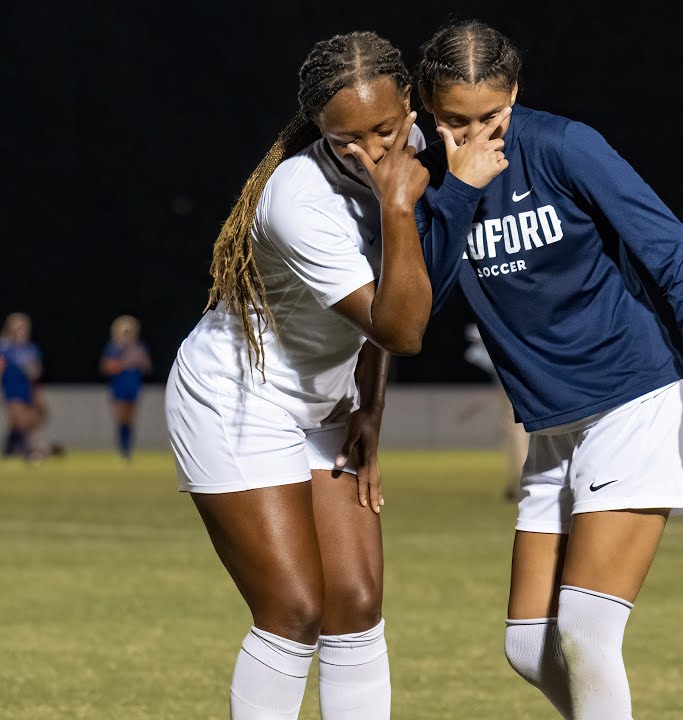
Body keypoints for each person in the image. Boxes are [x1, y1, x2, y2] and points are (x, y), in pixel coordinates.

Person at [414, 21, 683, 719]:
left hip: (635, 398)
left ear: (516, 95)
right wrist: (460, 191)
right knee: (528, 647)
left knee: (588, 635)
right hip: (554, 426)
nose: (475, 136)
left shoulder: (565, 146)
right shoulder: (426, 177)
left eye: (491, 117)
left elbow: (670, 248)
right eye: (454, 121)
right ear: (425, 104)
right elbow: (423, 302)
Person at [164, 31, 431, 720]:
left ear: (408, 101)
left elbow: (379, 317)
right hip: (235, 398)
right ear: (319, 129)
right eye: (346, 138)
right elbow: (399, 328)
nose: (371, 150)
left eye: (385, 128)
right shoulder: (298, 199)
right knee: (294, 611)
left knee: (358, 606)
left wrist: (368, 412)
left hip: (325, 403)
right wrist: (398, 207)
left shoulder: (419, 149)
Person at [462, 323, 528, 500]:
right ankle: (518, 482)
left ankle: (521, 483)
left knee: (517, 431)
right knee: (516, 432)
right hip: (523, 376)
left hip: (513, 380)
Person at [0, 313, 42, 458]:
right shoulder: (4, 347)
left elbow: (37, 372)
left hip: (26, 389)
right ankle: (27, 451)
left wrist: (33, 372)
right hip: (11, 388)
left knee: (16, 423)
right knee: (19, 419)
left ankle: (7, 451)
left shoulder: (31, 348)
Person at [101, 315, 151, 460]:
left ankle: (128, 450)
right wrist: (123, 364)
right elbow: (106, 367)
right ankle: (122, 449)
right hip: (119, 386)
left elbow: (146, 366)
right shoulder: (114, 348)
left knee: (130, 419)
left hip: (133, 386)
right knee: (121, 418)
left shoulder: (138, 348)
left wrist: (139, 362)